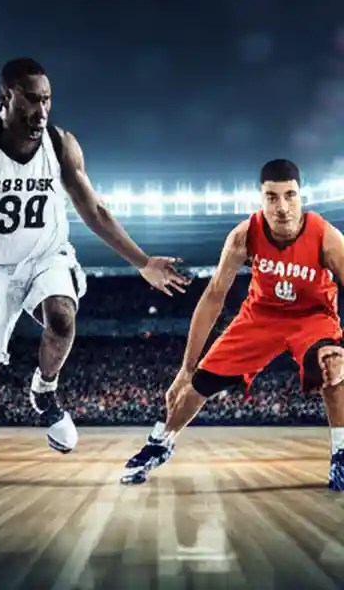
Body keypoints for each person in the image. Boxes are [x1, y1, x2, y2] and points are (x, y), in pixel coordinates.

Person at [0, 57, 191, 486]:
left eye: (47, 100)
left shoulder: (61, 145)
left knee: (62, 315)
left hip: (47, 256)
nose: (41, 111)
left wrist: (143, 263)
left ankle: (44, 390)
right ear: (6, 97)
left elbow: (94, 210)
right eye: (31, 100)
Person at [121, 159, 344, 488]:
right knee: (197, 385)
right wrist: (186, 368)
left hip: (312, 317)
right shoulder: (244, 235)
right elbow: (213, 297)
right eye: (272, 197)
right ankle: (161, 441)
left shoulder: (326, 237)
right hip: (261, 316)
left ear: (301, 197)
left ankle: (340, 453)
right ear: (261, 199)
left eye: (290, 195)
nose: (282, 206)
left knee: (332, 364)